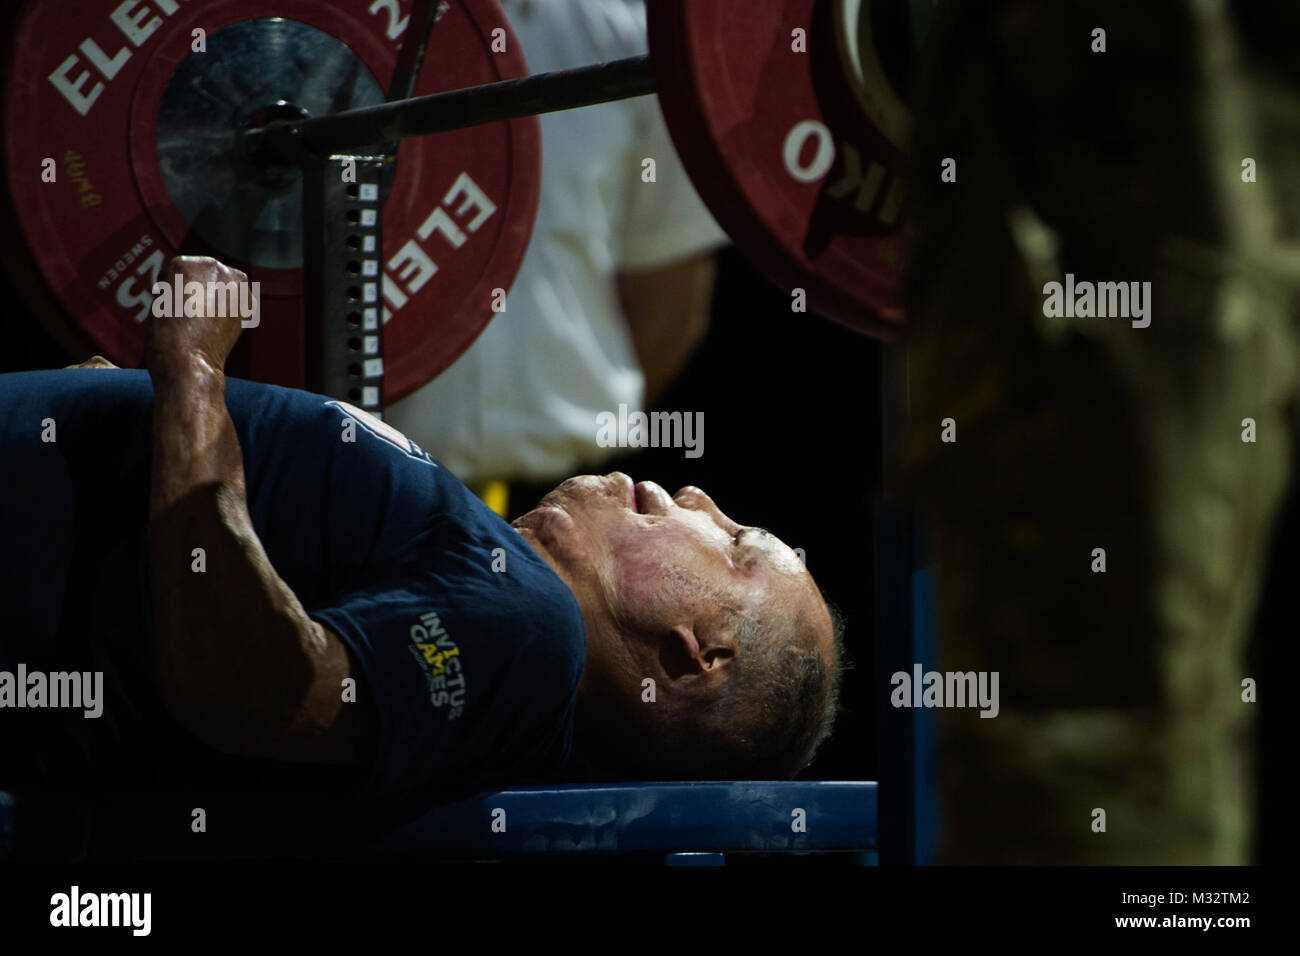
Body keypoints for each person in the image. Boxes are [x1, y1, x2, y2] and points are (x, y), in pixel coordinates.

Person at [0, 258, 842, 826]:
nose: (689, 495)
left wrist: (191, 366)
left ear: (700, 655)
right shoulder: (507, 601)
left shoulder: (535, 637)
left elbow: (260, 688)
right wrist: (137, 427)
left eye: (736, 542)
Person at [386, 0, 729, 513]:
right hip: (365, 492)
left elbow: (669, 300)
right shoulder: (323, 24)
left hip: (570, 503)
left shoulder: (627, 33)